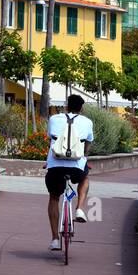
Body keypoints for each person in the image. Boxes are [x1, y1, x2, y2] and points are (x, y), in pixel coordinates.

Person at [44, 93, 94, 251]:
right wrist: (84, 157)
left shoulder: (54, 119)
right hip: (76, 167)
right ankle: (79, 208)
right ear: (82, 108)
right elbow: (87, 146)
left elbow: (51, 141)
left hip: (55, 166)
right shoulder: (87, 122)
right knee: (85, 178)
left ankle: (54, 240)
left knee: (53, 197)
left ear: (66, 106)